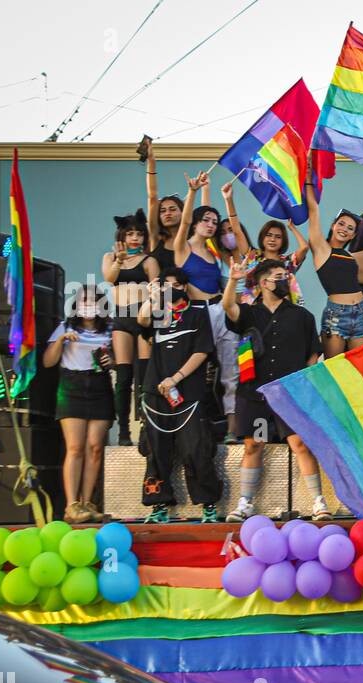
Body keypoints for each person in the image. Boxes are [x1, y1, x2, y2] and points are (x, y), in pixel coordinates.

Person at [220, 259, 329, 521]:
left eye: (286, 276)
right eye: (279, 276)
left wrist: (304, 388)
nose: (285, 281)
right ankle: (245, 503)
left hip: (290, 396)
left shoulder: (302, 316)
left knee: (300, 444)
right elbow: (228, 307)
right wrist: (233, 279)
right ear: (263, 282)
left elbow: (312, 356)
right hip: (256, 395)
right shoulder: (249, 313)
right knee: (253, 445)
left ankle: (318, 502)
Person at [135, 269, 222, 523]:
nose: (168, 288)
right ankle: (158, 504)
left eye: (174, 285)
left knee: (195, 447)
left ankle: (207, 504)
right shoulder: (158, 313)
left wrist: (176, 378)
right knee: (156, 449)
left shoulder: (197, 313)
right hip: (155, 392)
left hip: (187, 391)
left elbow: (202, 352)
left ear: (184, 287)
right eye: (165, 285)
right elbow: (141, 322)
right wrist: (152, 297)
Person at [172, 170, 240, 442]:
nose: (211, 225)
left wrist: (209, 191)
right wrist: (192, 192)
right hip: (195, 314)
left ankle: (233, 429)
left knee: (229, 371)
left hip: (220, 311)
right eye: (206, 221)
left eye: (214, 221)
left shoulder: (213, 251)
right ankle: (192, 428)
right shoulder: (183, 248)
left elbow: (206, 212)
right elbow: (188, 218)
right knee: (195, 371)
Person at [43, 283, 114, 523]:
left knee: (95, 447)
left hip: (100, 386)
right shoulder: (65, 327)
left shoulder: (110, 329)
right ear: (76, 305)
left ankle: (87, 502)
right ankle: (71, 504)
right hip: (71, 386)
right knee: (75, 448)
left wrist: (109, 361)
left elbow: (116, 360)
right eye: (84, 301)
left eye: (94, 302)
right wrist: (61, 339)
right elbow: (48, 362)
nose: (88, 307)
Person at [102, 209, 158, 447]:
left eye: (139, 234)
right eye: (130, 233)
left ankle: (146, 426)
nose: (135, 238)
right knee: (123, 377)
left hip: (143, 317)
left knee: (144, 377)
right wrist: (119, 260)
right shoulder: (110, 257)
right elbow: (109, 278)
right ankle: (123, 431)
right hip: (121, 317)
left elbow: (157, 291)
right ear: (121, 236)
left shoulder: (149, 260)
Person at [305, 189, 363, 358]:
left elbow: (350, 282)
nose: (344, 229)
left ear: (353, 235)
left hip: (361, 312)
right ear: (333, 225)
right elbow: (313, 211)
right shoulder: (322, 250)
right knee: (333, 367)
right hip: (336, 315)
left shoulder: (350, 256)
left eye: (350, 228)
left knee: (360, 365)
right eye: (341, 224)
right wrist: (308, 181)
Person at [237, 219, 309, 304]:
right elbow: (237, 233)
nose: (272, 239)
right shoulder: (253, 256)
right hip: (254, 309)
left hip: (282, 311)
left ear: (283, 241)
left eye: (278, 237)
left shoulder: (287, 262)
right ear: (262, 237)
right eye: (269, 235)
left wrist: (292, 227)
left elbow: (304, 247)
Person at [144, 141, 183, 272]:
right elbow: (152, 196)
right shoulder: (156, 238)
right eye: (163, 211)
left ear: (183, 212)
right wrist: (151, 163)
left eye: (172, 209)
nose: (167, 213)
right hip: (161, 292)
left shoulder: (191, 240)